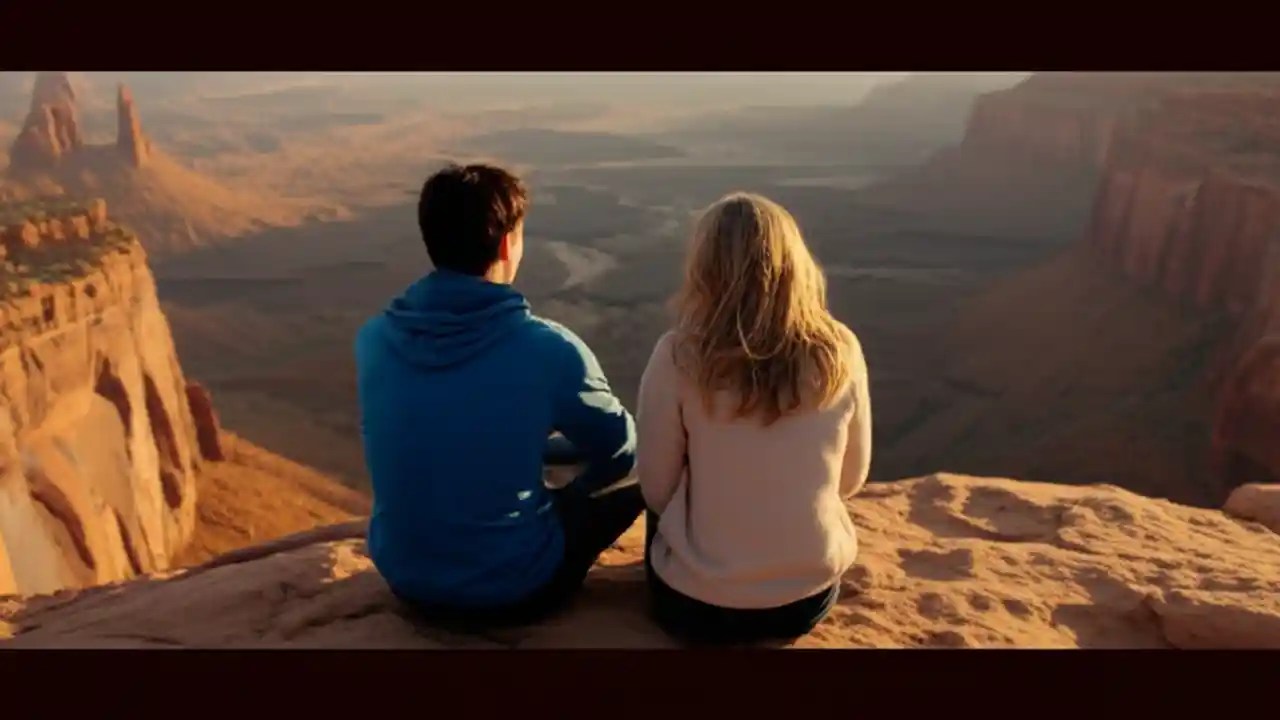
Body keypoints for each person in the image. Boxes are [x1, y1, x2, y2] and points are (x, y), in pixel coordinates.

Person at [354, 163, 643, 628]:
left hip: (407, 581)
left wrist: (534, 449)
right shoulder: (548, 349)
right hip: (514, 591)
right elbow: (619, 450)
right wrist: (565, 474)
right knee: (645, 473)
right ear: (509, 243)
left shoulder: (374, 339)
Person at [635, 192, 873, 645]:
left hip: (694, 607)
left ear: (705, 270)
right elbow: (850, 479)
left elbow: (657, 489)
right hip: (803, 601)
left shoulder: (678, 355)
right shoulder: (841, 350)